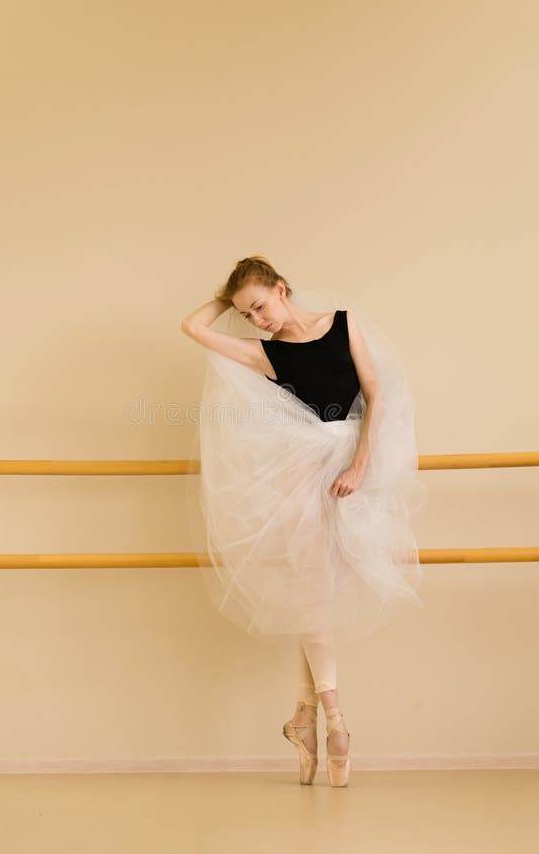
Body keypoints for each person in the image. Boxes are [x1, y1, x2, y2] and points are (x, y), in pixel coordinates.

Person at [181, 255, 427, 787]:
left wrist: (361, 464)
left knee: (310, 595)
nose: (258, 320)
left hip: (352, 470)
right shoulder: (264, 355)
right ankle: (332, 722)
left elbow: (376, 392)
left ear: (282, 287)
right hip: (301, 478)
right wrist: (231, 296)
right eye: (247, 314)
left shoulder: (343, 323)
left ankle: (310, 721)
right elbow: (192, 328)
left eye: (261, 306)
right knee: (311, 594)